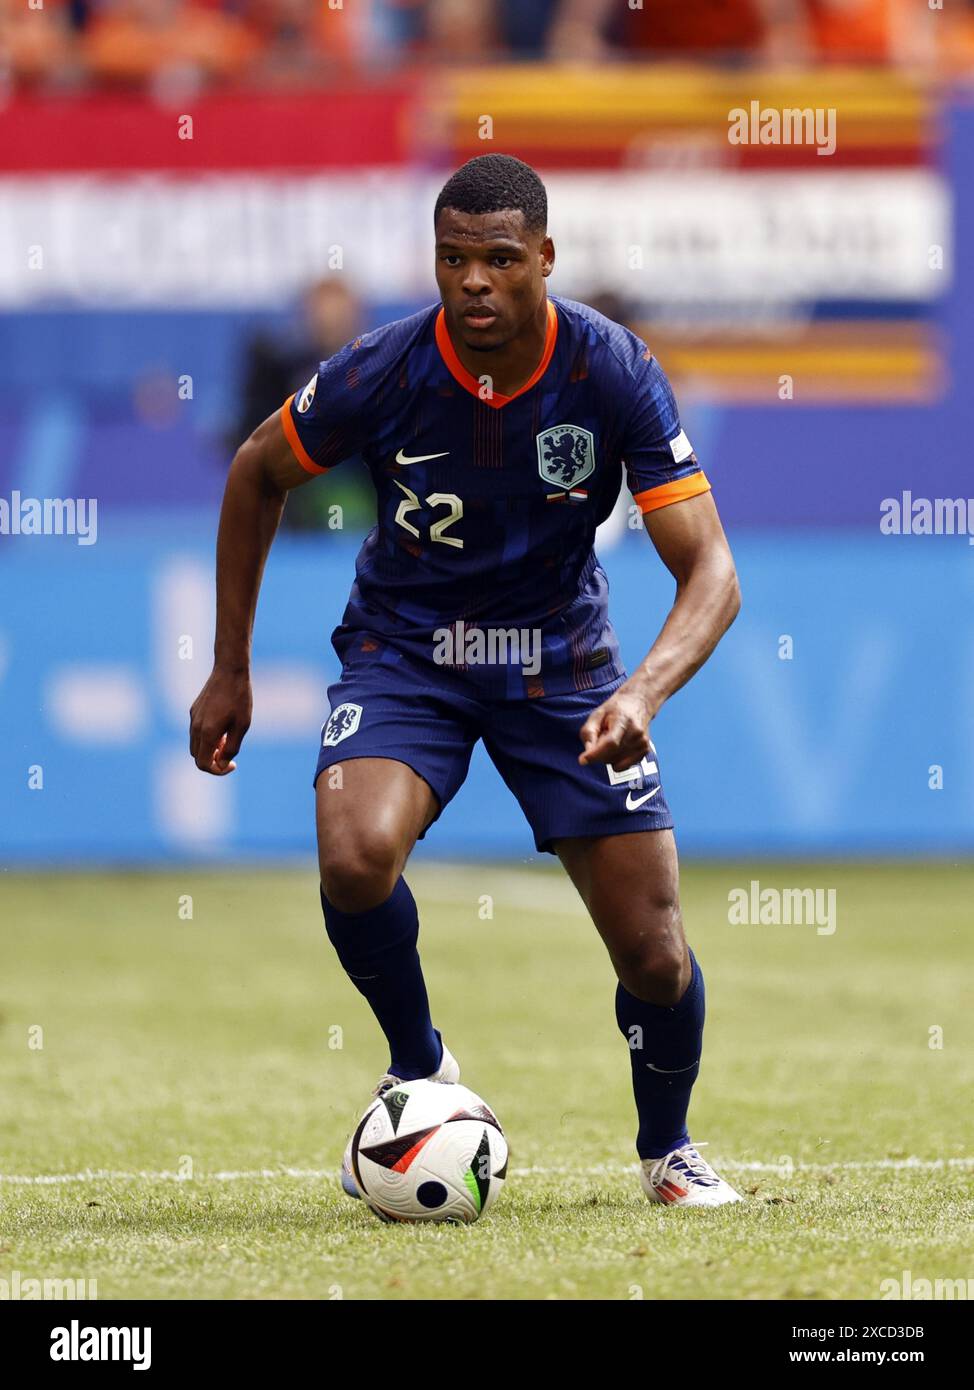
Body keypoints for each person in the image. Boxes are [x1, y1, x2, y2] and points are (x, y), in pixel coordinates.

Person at [189, 154, 743, 1206]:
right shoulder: (382, 370)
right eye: (452, 259)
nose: (473, 281)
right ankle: (420, 1065)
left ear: (543, 257)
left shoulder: (610, 371)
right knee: (354, 859)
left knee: (655, 957)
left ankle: (665, 1148)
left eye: (497, 259)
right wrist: (229, 667)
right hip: (409, 654)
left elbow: (710, 571)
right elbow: (257, 469)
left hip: (563, 669)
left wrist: (641, 691)